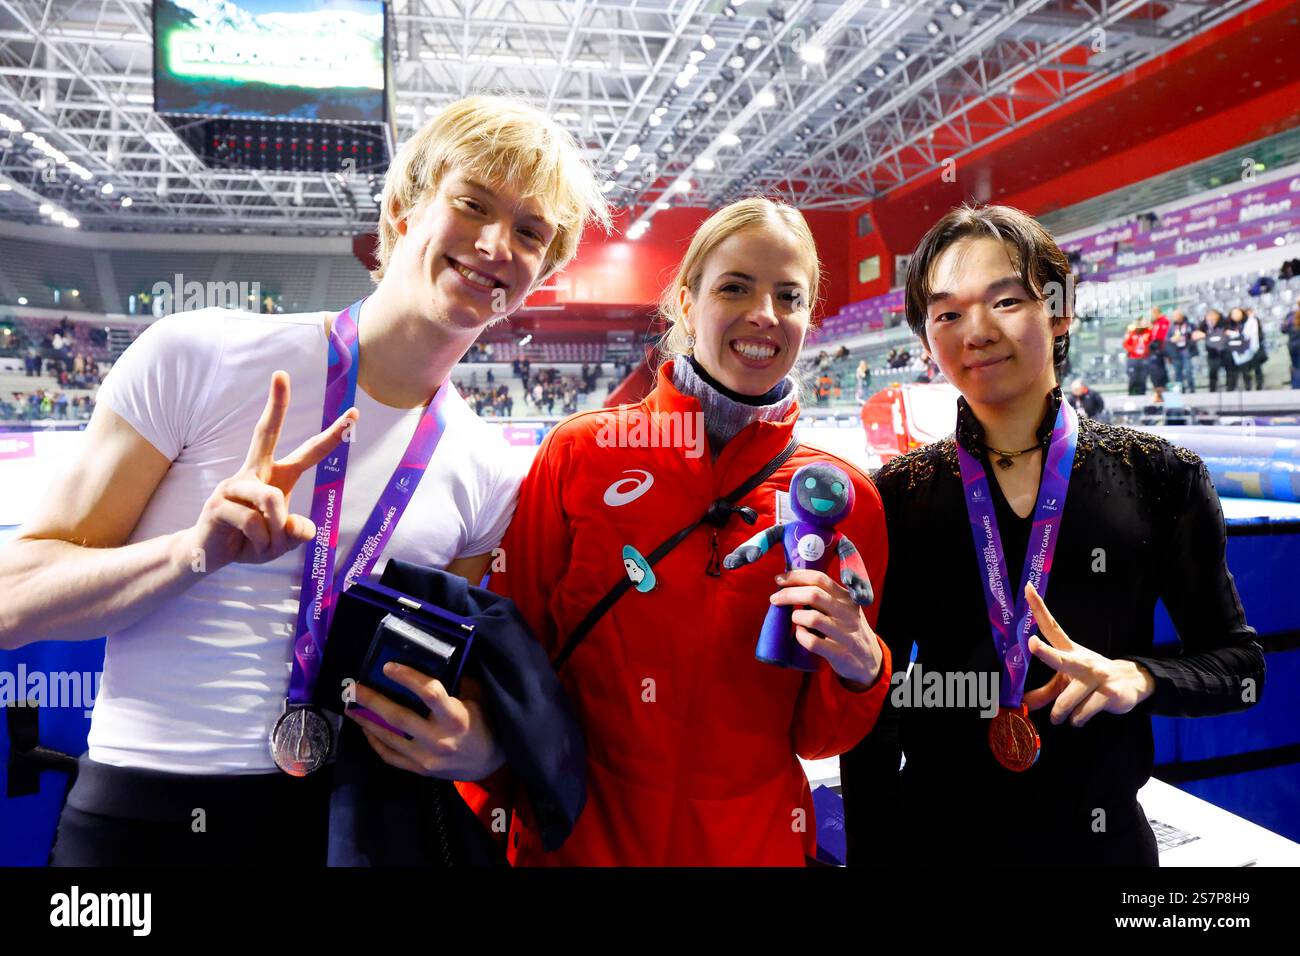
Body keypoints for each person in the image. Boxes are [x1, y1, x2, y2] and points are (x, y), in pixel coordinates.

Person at [0, 94, 611, 866]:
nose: (496, 243)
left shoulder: (489, 472)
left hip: (346, 827)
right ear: (400, 209)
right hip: (142, 818)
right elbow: (10, 600)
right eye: (472, 203)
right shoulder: (197, 357)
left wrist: (475, 744)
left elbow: (459, 692)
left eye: (529, 232)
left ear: (539, 273)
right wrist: (193, 552)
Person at [840, 204, 1263, 867]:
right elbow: (875, 694)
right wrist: (871, 852)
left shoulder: (1160, 477)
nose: (975, 331)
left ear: (1060, 312)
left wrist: (1139, 677)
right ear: (926, 339)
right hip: (934, 846)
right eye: (947, 313)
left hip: (1100, 850)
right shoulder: (898, 493)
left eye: (1004, 301)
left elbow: (1240, 668)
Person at [484, 198, 892, 866]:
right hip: (582, 843)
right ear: (684, 301)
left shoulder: (845, 501)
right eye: (735, 286)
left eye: (789, 296)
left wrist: (863, 667)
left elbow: (820, 737)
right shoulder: (582, 454)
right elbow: (512, 652)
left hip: (752, 845)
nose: (764, 313)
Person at [1232, 307, 1266, 392]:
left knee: (1257, 368)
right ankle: (1248, 385)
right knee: (1245, 368)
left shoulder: (1255, 321)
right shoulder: (1242, 323)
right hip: (1245, 349)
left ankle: (1259, 385)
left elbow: (1259, 335)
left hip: (1255, 348)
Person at [1195, 308, 1229, 392]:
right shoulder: (1205, 325)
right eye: (1209, 316)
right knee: (1213, 371)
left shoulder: (1224, 323)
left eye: (1213, 316)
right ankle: (1212, 390)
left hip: (1224, 351)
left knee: (1229, 370)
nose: (1211, 318)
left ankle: (1230, 389)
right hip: (1212, 352)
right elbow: (1197, 333)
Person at [1167, 309, 1197, 392]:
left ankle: (1192, 389)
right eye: (1174, 316)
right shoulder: (1172, 327)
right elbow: (1167, 339)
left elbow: (1195, 335)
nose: (1175, 317)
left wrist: (1189, 338)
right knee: (1177, 372)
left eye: (1177, 315)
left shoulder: (1189, 325)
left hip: (1187, 351)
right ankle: (1180, 391)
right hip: (1176, 352)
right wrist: (1172, 340)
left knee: (1188, 371)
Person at [1122, 315, 1153, 395]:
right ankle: (1132, 393)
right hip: (1133, 359)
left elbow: (1152, 343)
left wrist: (1147, 350)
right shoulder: (1131, 332)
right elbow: (1125, 344)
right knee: (1133, 378)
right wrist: (1133, 350)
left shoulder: (1148, 332)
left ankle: (1142, 394)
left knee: (1143, 378)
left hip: (1145, 358)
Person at [1287, 302, 1300, 389]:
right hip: (1296, 348)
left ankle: (1295, 389)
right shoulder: (1293, 315)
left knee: (1296, 368)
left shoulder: (1292, 316)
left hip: (1293, 347)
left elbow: (1284, 328)